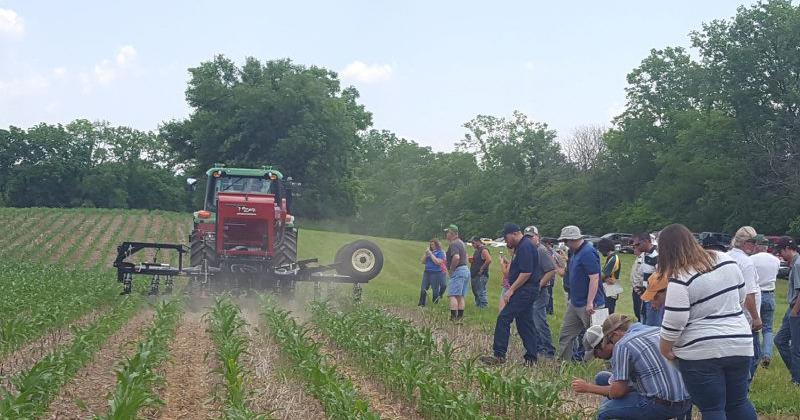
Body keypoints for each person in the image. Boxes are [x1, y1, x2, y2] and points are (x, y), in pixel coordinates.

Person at [658, 224, 757, 420]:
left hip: (701, 352)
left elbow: (675, 320)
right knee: (738, 402)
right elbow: (740, 296)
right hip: (739, 343)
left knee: (713, 409)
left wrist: (665, 347)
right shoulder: (726, 260)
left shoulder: (680, 276)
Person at [573, 314, 692, 420]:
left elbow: (618, 392)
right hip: (687, 399)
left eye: (609, 341)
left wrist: (588, 388)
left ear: (615, 334)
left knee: (604, 411)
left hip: (662, 405)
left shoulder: (622, 344)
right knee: (603, 379)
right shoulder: (655, 330)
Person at [480, 223, 540, 365]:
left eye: (506, 238)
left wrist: (511, 290)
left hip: (526, 290)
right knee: (525, 324)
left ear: (513, 234)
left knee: (504, 318)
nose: (506, 242)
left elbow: (526, 272)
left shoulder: (525, 246)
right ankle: (531, 358)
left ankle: (499, 355)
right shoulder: (522, 246)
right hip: (527, 289)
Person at [557, 225, 604, 361]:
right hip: (575, 302)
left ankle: (593, 366)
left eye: (566, 241)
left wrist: (590, 302)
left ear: (573, 239)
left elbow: (594, 278)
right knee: (566, 334)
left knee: (596, 338)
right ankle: (564, 363)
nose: (565, 244)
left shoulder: (588, 252)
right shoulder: (573, 252)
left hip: (591, 304)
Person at [727, 226, 764, 382]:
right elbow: (749, 294)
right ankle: (742, 390)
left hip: (729, 316)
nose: (755, 245)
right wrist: (755, 318)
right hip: (745, 319)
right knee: (753, 357)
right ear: (744, 242)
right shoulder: (746, 262)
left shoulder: (727, 256)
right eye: (753, 241)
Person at [524, 225, 557, 358]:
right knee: (531, 320)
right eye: (527, 237)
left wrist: (538, 285)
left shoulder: (541, 250)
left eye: (532, 236)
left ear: (538, 237)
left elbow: (551, 270)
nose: (530, 239)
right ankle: (537, 347)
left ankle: (548, 350)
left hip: (540, 291)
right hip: (530, 292)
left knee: (539, 321)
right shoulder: (528, 250)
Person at [774, 236, 800, 385]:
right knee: (780, 340)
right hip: (791, 308)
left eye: (781, 251)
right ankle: (796, 372)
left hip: (796, 309)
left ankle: (797, 380)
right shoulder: (795, 263)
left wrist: (795, 312)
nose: (780, 255)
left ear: (787, 249)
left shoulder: (797, 265)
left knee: (796, 347)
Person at [751, 246, 780, 368]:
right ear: (767, 247)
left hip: (756, 294)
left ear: (756, 246)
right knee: (768, 329)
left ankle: (755, 355)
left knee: (754, 326)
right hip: (769, 294)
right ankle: (767, 354)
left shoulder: (751, 259)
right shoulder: (776, 260)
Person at [633, 232, 660, 326]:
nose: (636, 247)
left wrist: (656, 299)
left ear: (646, 241)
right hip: (646, 297)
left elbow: (662, 279)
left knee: (652, 327)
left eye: (637, 244)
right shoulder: (646, 255)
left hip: (654, 300)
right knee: (644, 322)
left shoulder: (656, 256)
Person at [444, 224, 469, 322]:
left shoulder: (454, 244)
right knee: (461, 295)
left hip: (458, 270)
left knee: (453, 295)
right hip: (465, 270)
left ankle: (453, 317)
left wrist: (451, 269)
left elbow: (456, 257)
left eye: (447, 232)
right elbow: (465, 256)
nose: (446, 234)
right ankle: (460, 317)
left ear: (452, 233)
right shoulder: (461, 243)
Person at [597, 238, 622, 315]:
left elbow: (603, 275)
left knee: (607, 312)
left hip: (611, 289)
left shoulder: (613, 258)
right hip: (610, 287)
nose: (601, 252)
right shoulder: (611, 257)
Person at [418, 238, 446, 306]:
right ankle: (421, 304)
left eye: (433, 245)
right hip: (427, 272)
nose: (431, 246)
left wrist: (431, 254)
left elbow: (437, 262)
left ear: (436, 245)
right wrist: (426, 254)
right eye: (430, 245)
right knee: (423, 289)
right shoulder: (430, 252)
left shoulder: (440, 252)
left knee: (435, 290)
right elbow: (422, 261)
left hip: (435, 273)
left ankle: (435, 303)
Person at [469, 236, 492, 309]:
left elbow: (489, 260)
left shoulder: (483, 250)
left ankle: (483, 307)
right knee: (476, 291)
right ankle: (478, 306)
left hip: (481, 275)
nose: (472, 245)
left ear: (478, 242)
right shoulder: (477, 250)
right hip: (474, 274)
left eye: (473, 243)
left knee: (481, 292)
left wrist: (481, 269)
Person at [630, 246, 645, 322]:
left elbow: (640, 275)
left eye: (634, 247)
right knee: (636, 309)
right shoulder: (638, 258)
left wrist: (639, 287)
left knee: (639, 310)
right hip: (635, 289)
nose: (633, 249)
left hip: (640, 290)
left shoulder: (643, 258)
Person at [498, 244, 514, 312]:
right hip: (512, 284)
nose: (508, 251)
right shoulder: (517, 258)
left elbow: (506, 273)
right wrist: (506, 261)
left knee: (502, 306)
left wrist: (502, 263)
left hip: (508, 285)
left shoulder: (513, 258)